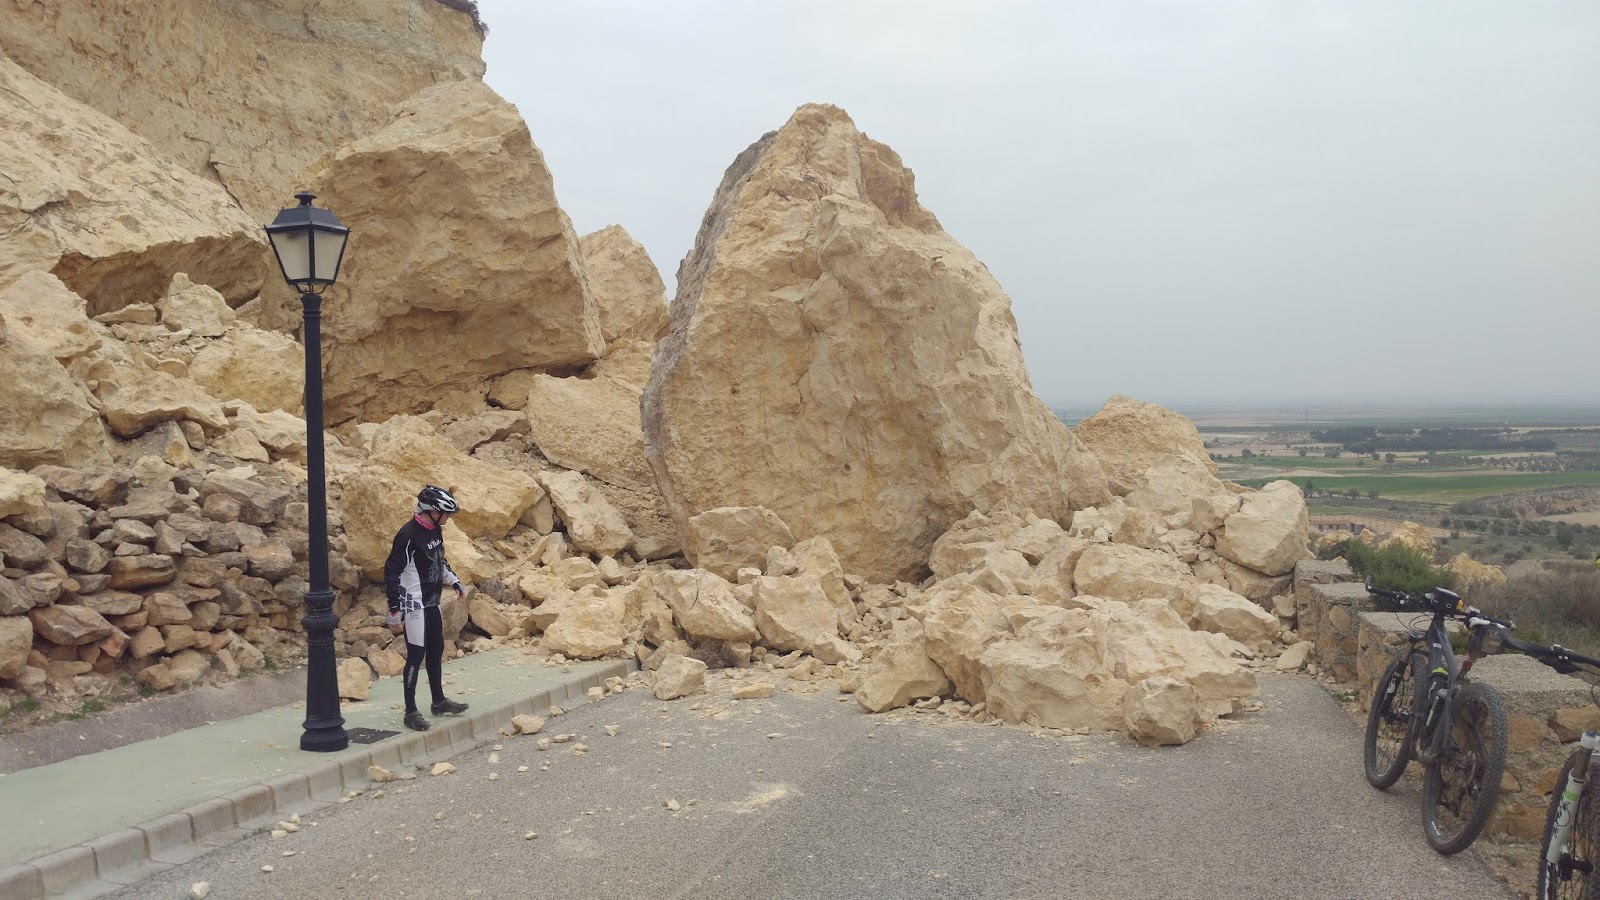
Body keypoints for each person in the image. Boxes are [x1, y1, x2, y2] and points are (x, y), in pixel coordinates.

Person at [385, 485, 471, 731]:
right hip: (413, 602)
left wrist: (454, 580)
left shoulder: (434, 529)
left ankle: (438, 701)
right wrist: (394, 608)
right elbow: (391, 571)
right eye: (447, 514)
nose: (449, 519)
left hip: (431, 600)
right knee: (416, 656)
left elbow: (439, 559)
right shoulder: (408, 534)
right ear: (433, 511)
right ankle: (410, 712)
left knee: (436, 650)